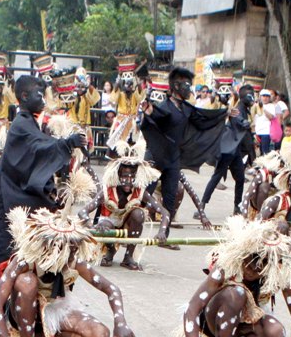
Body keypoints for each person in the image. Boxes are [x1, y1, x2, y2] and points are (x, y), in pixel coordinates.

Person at [0, 189, 137, 337]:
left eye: (74, 247)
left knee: (99, 336)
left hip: (52, 315)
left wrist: (121, 322)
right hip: (19, 316)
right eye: (68, 247)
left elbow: (111, 289)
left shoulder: (73, 259)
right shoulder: (25, 261)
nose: (72, 251)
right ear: (51, 244)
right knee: (27, 282)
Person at [0, 74, 86, 320]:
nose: (43, 99)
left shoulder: (31, 124)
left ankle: (21, 299)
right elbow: (40, 148)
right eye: (38, 95)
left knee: (28, 247)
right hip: (8, 196)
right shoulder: (22, 124)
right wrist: (66, 144)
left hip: (20, 195)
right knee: (3, 246)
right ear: (24, 97)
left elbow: (41, 148)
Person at [140, 65, 224, 235]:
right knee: (143, 195)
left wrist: (225, 113)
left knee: (170, 197)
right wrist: (148, 112)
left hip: (173, 158)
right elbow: (156, 116)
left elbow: (203, 120)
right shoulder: (163, 106)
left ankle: (164, 234)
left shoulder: (186, 108)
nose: (189, 89)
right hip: (156, 157)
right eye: (186, 85)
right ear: (176, 87)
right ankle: (131, 229)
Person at [81, 140, 169, 270]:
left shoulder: (140, 192)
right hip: (108, 225)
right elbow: (83, 212)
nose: (128, 181)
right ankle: (109, 251)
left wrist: (162, 231)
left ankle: (128, 256)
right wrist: (89, 223)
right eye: (124, 176)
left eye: (132, 176)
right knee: (105, 225)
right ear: (118, 175)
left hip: (128, 226)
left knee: (139, 214)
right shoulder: (107, 190)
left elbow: (164, 212)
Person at [199, 64, 252, 218]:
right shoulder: (236, 108)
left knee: (240, 179)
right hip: (227, 149)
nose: (253, 99)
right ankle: (201, 206)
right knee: (216, 177)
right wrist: (244, 123)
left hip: (234, 150)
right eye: (250, 96)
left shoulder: (240, 107)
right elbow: (237, 120)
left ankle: (237, 207)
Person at [106, 51, 145, 153]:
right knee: (115, 144)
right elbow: (113, 98)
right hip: (121, 121)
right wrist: (118, 79)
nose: (129, 86)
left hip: (132, 122)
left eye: (130, 84)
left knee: (134, 143)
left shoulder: (135, 94)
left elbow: (140, 96)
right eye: (127, 84)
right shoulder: (120, 93)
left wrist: (136, 77)